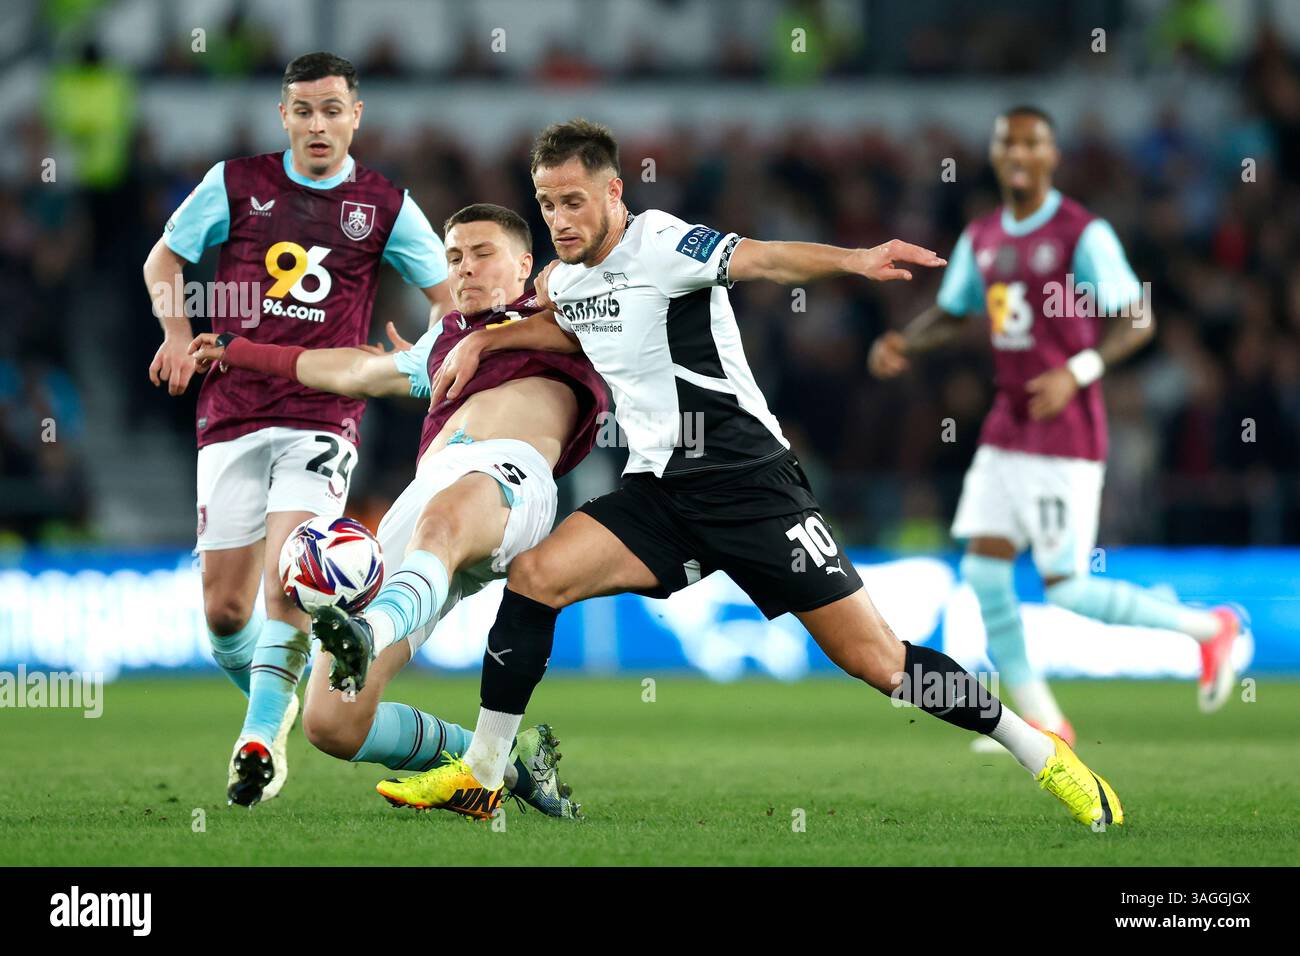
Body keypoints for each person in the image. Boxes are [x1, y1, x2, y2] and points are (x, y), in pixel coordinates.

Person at [325, 118, 1124, 829]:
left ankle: (1039, 750)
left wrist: (856, 257)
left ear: (613, 193)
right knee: (535, 577)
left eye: (573, 202)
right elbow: (567, 327)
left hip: (750, 484)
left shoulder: (665, 245)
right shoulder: (564, 280)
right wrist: (479, 341)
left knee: (880, 662)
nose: (560, 220)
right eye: (546, 204)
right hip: (661, 494)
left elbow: (766, 259)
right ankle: (484, 775)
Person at [190, 202, 605, 817]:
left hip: (511, 474)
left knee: (443, 520)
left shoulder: (563, 308)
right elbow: (355, 370)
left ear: (525, 262)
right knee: (332, 722)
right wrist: (243, 350)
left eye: (481, 253)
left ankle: (372, 628)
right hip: (429, 489)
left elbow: (626, 304)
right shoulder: (443, 339)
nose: (463, 270)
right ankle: (509, 767)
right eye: (454, 257)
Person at [868, 106, 1245, 750]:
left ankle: (1210, 629)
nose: (1018, 152)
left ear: (1051, 156)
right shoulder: (983, 236)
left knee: (1067, 587)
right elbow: (954, 312)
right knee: (985, 577)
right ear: (995, 153)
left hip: (1064, 429)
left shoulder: (1081, 233)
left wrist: (1079, 370)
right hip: (1005, 426)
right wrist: (904, 340)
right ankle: (1046, 721)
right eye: (1007, 142)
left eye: (1031, 142)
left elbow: (1139, 318)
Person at [142, 52, 452, 805]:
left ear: (357, 115)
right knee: (223, 612)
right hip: (230, 410)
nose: (319, 124)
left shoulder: (385, 204)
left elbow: (450, 302)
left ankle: (258, 740)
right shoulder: (235, 183)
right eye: (304, 110)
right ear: (283, 116)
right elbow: (165, 259)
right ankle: (277, 703)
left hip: (323, 416)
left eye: (332, 109)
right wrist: (177, 332)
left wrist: (425, 354)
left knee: (293, 576)